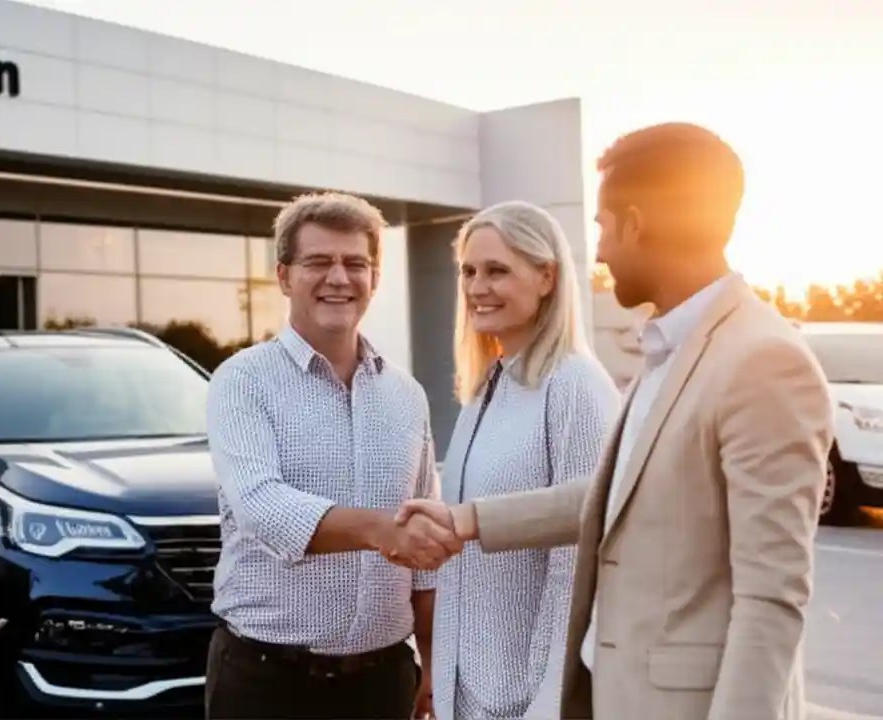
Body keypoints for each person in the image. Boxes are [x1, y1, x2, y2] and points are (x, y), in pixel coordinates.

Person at [398, 122, 835, 719]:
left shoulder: (763, 358)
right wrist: (468, 520)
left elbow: (772, 599)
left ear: (636, 223)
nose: (598, 251)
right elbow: (609, 501)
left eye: (603, 227)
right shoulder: (665, 352)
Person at [204, 191, 460, 720]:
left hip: (383, 683)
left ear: (375, 279)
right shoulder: (242, 381)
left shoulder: (406, 395)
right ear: (284, 276)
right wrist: (380, 531)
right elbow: (261, 506)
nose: (339, 279)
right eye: (318, 262)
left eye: (355, 264)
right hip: (265, 682)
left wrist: (433, 666)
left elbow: (424, 557)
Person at [429, 201, 618, 720]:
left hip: (524, 702)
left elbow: (581, 558)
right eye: (468, 271)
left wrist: (548, 698)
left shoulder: (575, 387)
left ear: (546, 277)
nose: (476, 287)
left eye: (497, 271)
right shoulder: (486, 385)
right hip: (464, 696)